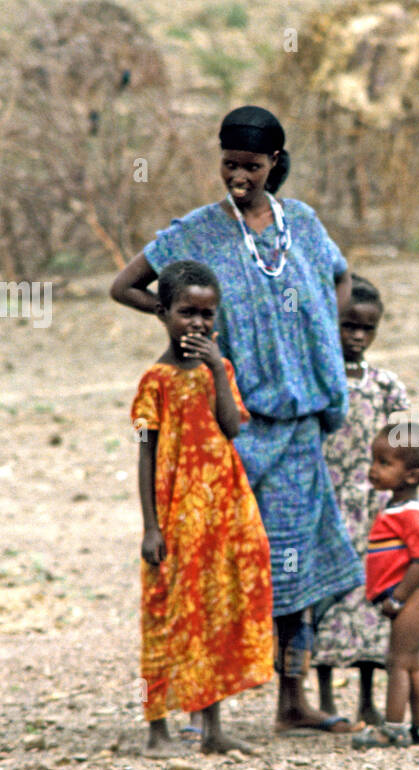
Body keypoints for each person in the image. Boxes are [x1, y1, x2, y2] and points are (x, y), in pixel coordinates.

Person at [112, 105, 364, 734]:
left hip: (302, 426)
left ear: (274, 162)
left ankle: (291, 701)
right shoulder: (196, 233)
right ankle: (206, 705)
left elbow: (340, 276)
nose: (238, 176)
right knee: (221, 567)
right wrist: (187, 325)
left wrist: (321, 341)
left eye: (251, 166)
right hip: (235, 430)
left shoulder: (301, 223)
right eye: (229, 165)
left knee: (297, 568)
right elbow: (126, 285)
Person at [131, 260, 273, 756]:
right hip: (175, 516)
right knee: (167, 613)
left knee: (215, 609)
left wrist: (215, 366)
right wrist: (151, 527)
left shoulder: (222, 369)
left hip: (225, 513)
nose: (197, 323)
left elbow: (233, 429)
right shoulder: (156, 380)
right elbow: (146, 453)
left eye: (206, 315)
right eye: (186, 313)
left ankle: (211, 728)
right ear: (163, 312)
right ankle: (156, 732)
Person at [310, 274, 419, 726]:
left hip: (376, 514)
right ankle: (321, 698)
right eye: (347, 326)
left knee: (372, 600)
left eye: (367, 328)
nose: (357, 336)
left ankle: (366, 698)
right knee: (324, 600)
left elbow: (408, 442)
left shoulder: (384, 386)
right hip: (327, 506)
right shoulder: (317, 377)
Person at [352, 425, 419, 748]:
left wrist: (399, 598)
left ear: (412, 476)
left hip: (412, 599)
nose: (374, 469)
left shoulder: (414, 515)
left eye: (384, 463)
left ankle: (392, 728)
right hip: (411, 600)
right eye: (374, 460)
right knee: (412, 663)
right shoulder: (396, 508)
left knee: (398, 663)